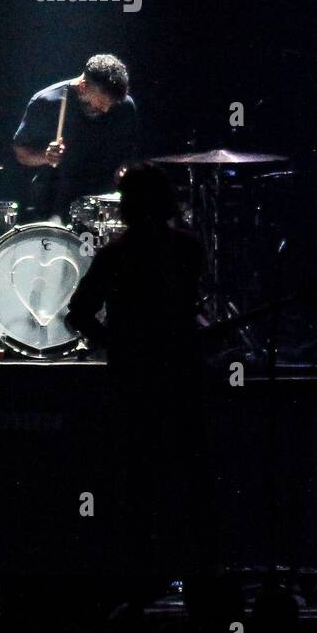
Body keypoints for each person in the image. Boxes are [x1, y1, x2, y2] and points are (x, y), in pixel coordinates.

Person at [65, 163, 210, 600]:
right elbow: (187, 310)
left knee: (136, 477)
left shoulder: (116, 253)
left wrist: (117, 344)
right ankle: (183, 573)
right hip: (179, 375)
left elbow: (78, 312)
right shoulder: (187, 249)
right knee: (183, 474)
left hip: (133, 377)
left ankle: (136, 575)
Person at [12, 53, 136, 220]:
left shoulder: (125, 107)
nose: (105, 110)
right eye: (99, 104)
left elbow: (128, 153)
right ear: (83, 86)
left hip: (103, 206)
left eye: (109, 106)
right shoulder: (46, 102)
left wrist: (124, 169)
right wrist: (46, 156)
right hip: (53, 204)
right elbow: (21, 153)